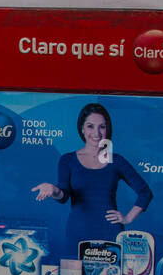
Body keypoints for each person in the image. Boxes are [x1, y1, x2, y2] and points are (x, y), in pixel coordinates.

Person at [32, 102, 153, 256]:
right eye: (90, 126)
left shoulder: (116, 160)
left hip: (110, 234)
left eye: (102, 127)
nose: (96, 132)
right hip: (78, 233)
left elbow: (145, 193)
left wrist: (128, 218)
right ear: (82, 128)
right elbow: (63, 196)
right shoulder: (67, 160)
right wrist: (54, 190)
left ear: (107, 129)